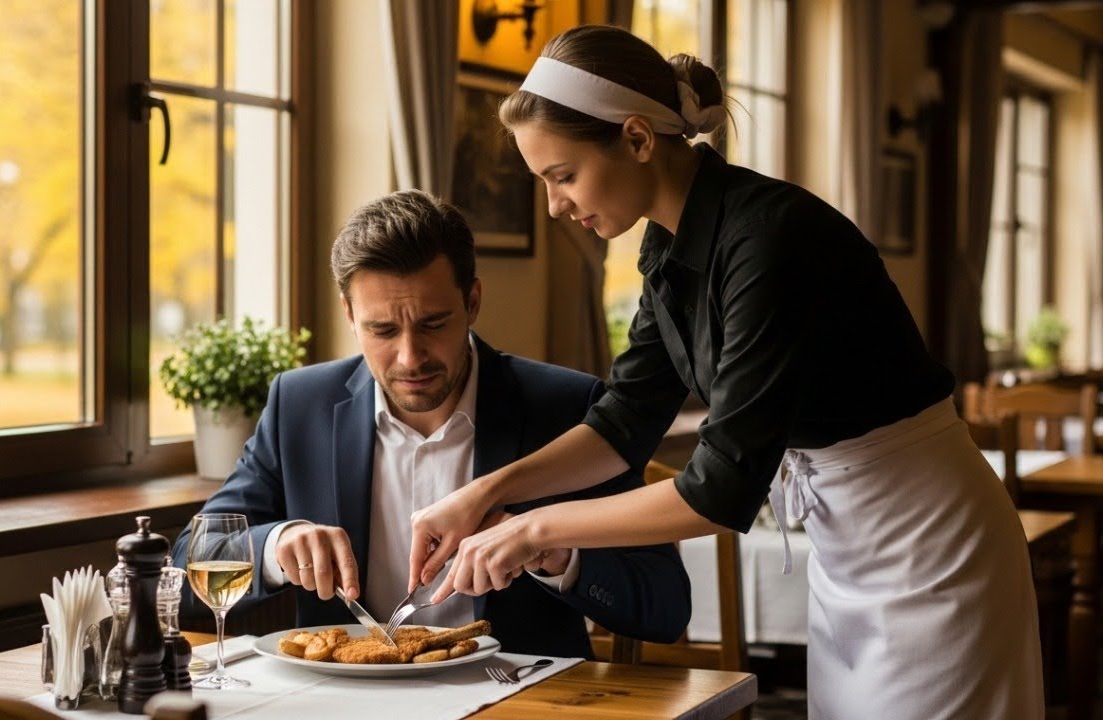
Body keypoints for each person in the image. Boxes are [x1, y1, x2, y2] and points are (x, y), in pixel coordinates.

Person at [407, 25, 1042, 718]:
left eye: (562, 176)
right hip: (847, 552)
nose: (556, 204)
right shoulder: (668, 249)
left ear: (639, 139)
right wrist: (485, 494)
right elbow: (624, 423)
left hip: (932, 546)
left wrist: (533, 529)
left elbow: (718, 492)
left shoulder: (769, 240)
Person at [172, 189, 690, 658]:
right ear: (349, 316)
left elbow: (666, 607)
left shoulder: (566, 407)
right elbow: (189, 561)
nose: (409, 357)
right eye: (381, 329)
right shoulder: (299, 404)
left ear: (472, 303)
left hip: (515, 705)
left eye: (433, 324)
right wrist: (275, 547)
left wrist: (555, 553)